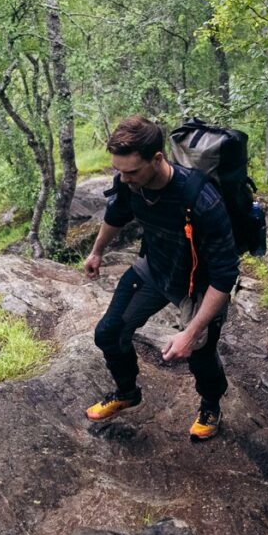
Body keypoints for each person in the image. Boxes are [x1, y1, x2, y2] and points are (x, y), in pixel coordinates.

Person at [83, 116, 240, 441]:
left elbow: (225, 276)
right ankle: (127, 392)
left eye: (131, 171)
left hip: (198, 286)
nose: (124, 179)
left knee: (199, 353)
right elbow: (116, 215)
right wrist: (97, 251)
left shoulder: (201, 199)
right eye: (119, 171)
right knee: (108, 334)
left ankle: (211, 405)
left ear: (157, 159)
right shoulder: (130, 185)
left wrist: (189, 332)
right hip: (154, 269)